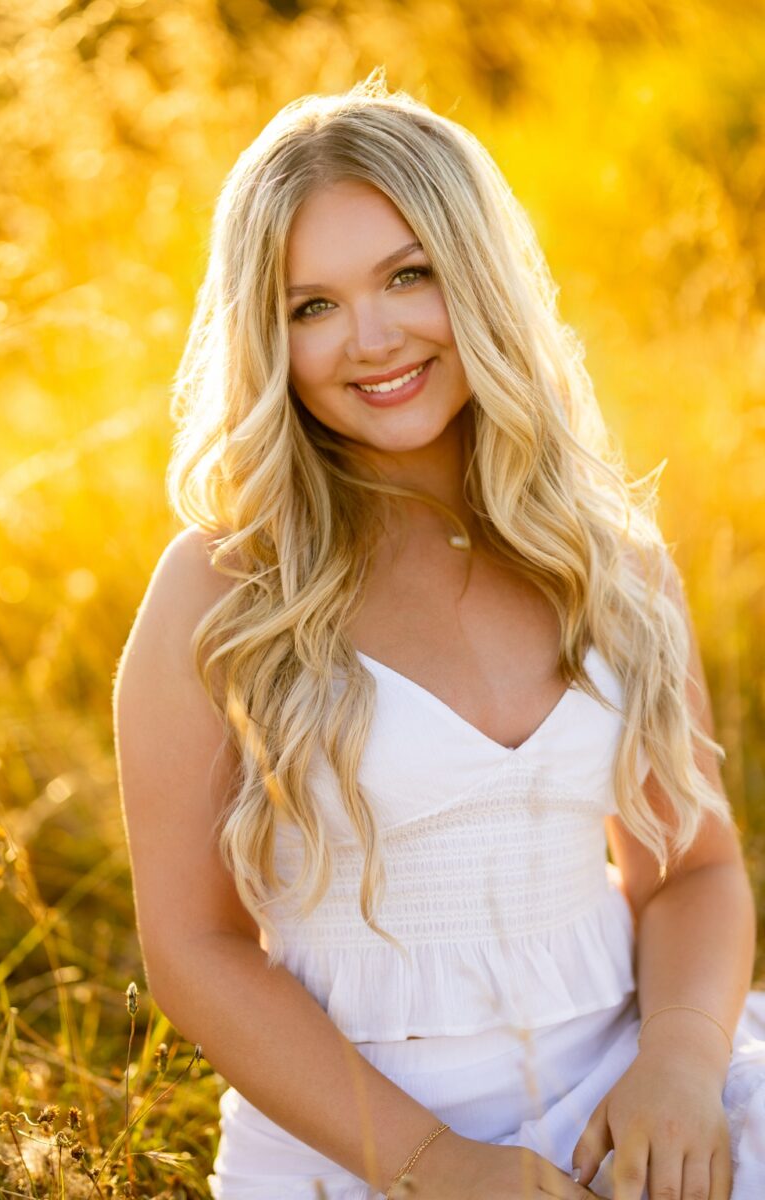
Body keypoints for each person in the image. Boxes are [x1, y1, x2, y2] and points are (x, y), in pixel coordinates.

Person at [114, 73, 765, 1199]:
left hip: (637, 1093)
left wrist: (679, 1062)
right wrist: (435, 1166)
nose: (369, 339)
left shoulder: (612, 563)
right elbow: (195, 952)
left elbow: (690, 872)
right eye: (307, 305)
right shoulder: (221, 589)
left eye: (407, 275)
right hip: (360, 1146)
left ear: (478, 272)